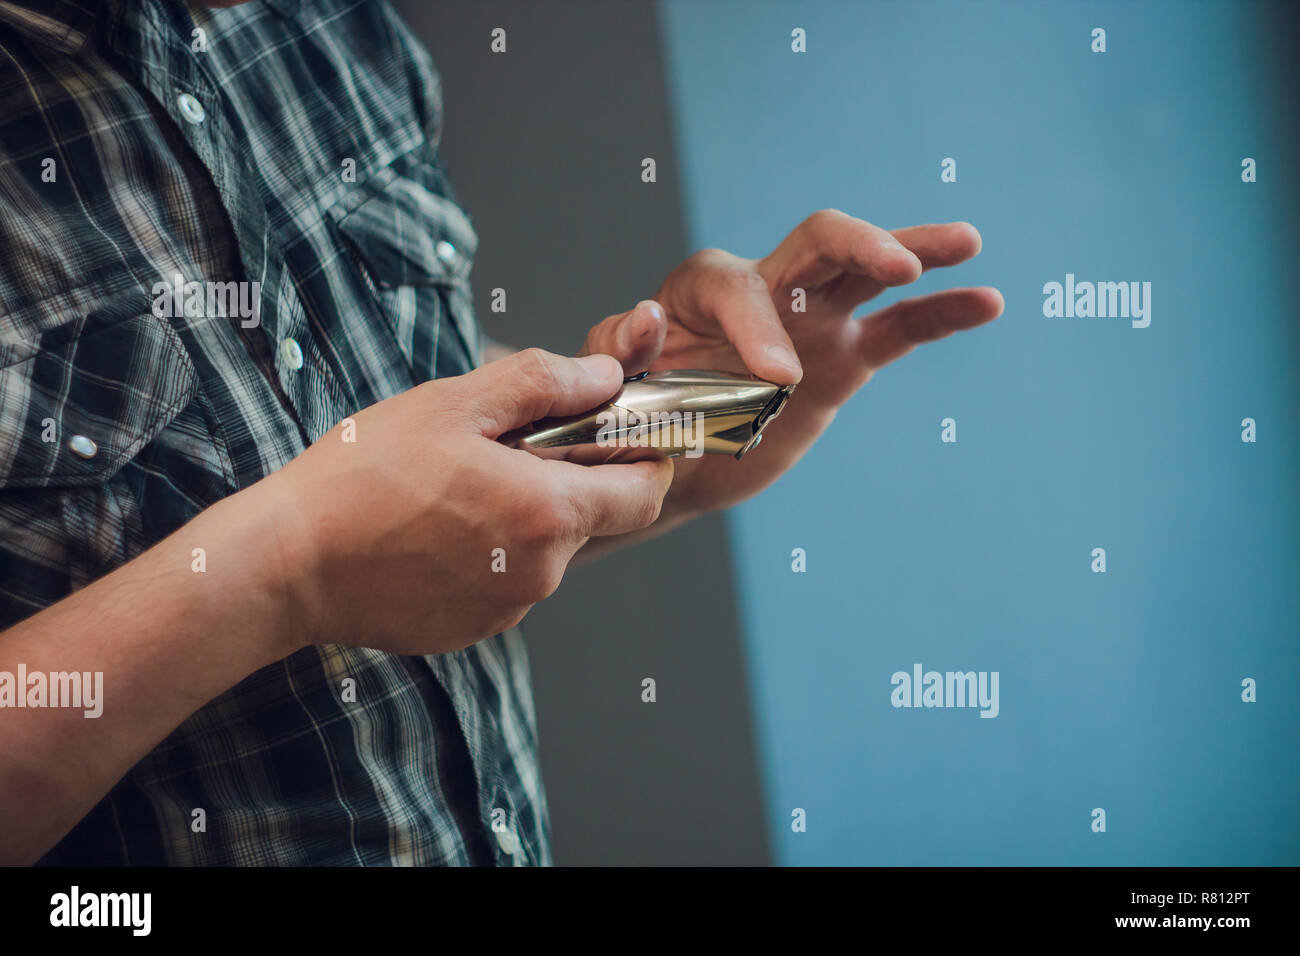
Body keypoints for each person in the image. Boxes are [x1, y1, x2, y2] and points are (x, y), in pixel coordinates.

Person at [0, 0, 1003, 865]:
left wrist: (694, 413)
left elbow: (428, 476)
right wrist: (289, 567)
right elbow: (329, 521)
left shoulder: (335, 29)